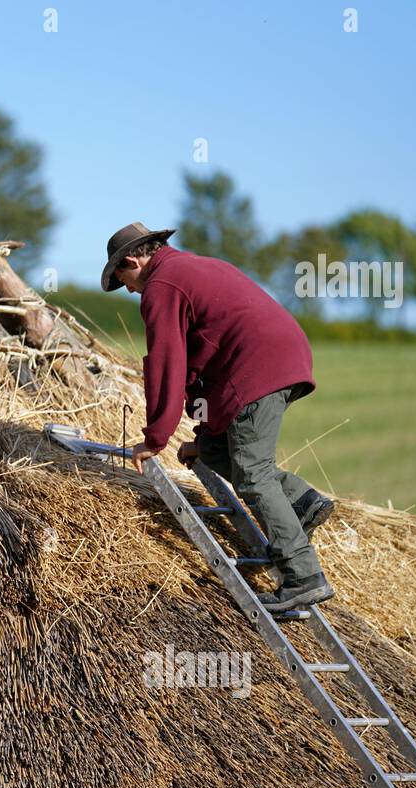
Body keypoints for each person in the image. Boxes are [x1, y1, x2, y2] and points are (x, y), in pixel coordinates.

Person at [100, 222, 336, 613]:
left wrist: (155, 439)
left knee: (253, 473)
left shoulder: (161, 288)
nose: (127, 288)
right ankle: (302, 502)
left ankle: (303, 576)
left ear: (133, 259)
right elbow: (204, 359)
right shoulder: (195, 268)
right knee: (213, 449)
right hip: (279, 356)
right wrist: (204, 438)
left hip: (258, 367)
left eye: (122, 277)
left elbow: (166, 365)